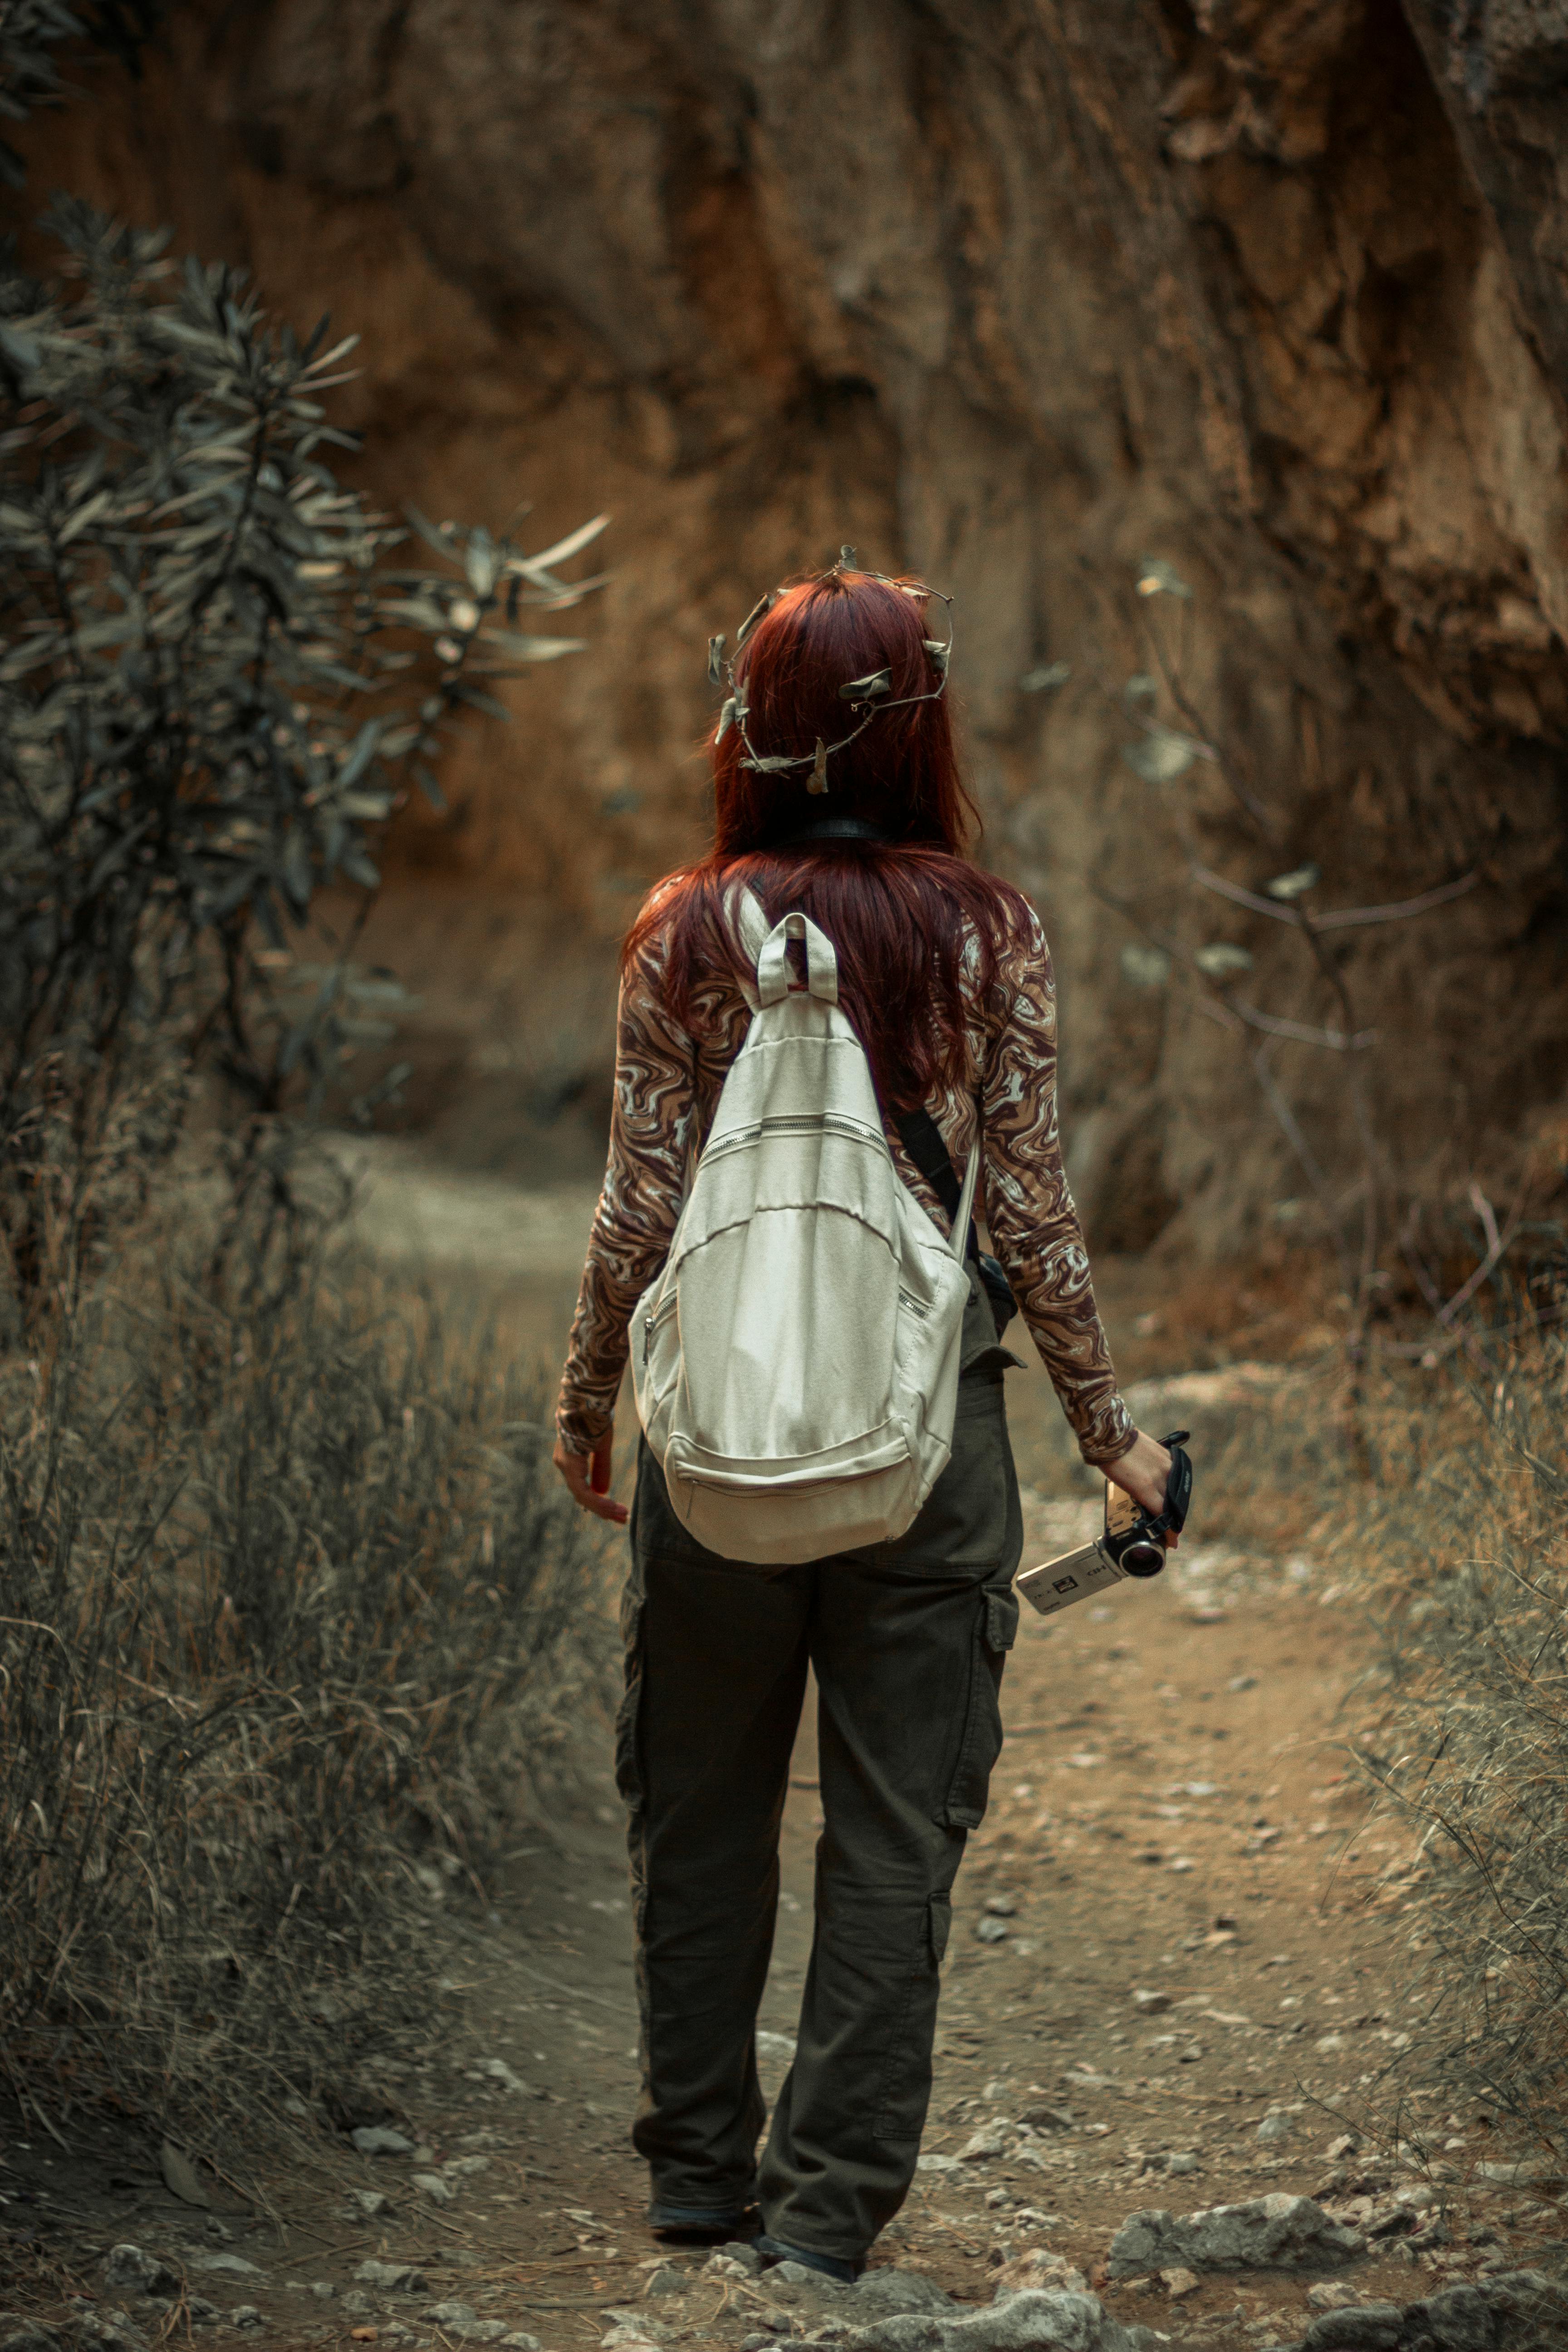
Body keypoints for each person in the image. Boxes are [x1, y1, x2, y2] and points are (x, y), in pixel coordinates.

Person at [552, 559, 1172, 2282]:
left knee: (698, 1809)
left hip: (720, 1454)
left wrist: (589, 1401)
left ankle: (697, 2179)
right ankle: (822, 2221)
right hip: (926, 1453)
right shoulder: (984, 929)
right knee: (894, 1837)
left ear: (749, 722)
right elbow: (1030, 1213)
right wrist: (1106, 1436)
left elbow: (637, 1210)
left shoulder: (683, 930)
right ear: (925, 723)